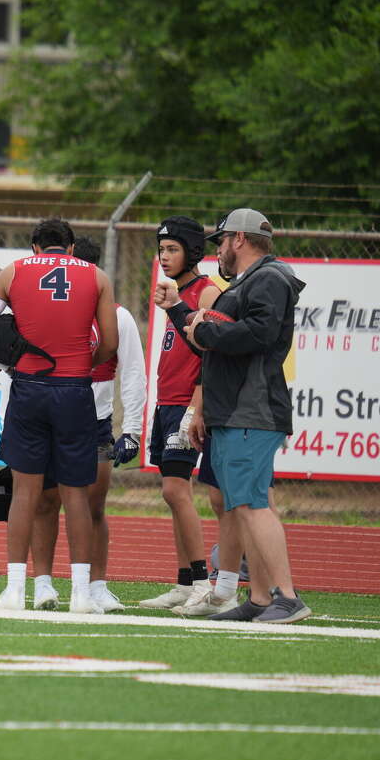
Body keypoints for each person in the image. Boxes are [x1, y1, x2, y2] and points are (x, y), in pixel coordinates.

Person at [159, 208, 310, 623]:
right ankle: (260, 598)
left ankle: (287, 596)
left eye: (222, 241)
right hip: (236, 408)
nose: (219, 250)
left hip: (252, 408)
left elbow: (258, 333)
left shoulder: (268, 278)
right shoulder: (252, 280)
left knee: (252, 504)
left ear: (238, 239)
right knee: (241, 504)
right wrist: (182, 316)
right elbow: (211, 344)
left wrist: (205, 329)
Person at [0, 218, 118, 613]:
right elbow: (110, 342)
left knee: (26, 492)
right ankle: (82, 594)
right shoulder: (97, 275)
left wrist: (6, 362)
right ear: (69, 248)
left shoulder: (15, 270)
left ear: (36, 246)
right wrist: (81, 366)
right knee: (76, 495)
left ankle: (16, 589)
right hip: (74, 389)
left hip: (30, 386)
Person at [28, 236, 146, 612]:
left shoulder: (119, 316)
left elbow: (133, 374)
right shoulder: (47, 309)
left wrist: (132, 430)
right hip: (48, 418)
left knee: (94, 505)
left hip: (94, 423)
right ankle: (42, 584)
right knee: (45, 501)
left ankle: (96, 586)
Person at [137, 217, 219, 612]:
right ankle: (185, 581)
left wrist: (195, 407)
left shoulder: (207, 292)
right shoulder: (172, 292)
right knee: (173, 494)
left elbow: (210, 353)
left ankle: (204, 581)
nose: (164, 257)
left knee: (175, 490)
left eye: (172, 249)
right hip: (165, 401)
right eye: (161, 249)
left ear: (192, 250)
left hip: (188, 403)